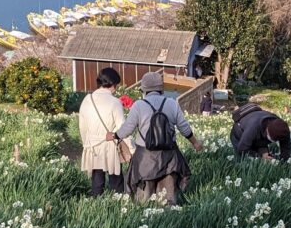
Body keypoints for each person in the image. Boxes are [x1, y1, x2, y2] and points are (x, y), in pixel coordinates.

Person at [111, 71, 202, 205]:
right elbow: (184, 127)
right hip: (169, 156)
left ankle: (145, 219)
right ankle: (171, 220)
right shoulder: (172, 103)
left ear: (144, 90)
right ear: (161, 88)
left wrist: (114, 135)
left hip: (145, 158)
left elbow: (128, 129)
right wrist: (195, 143)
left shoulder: (139, 105)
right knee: (168, 199)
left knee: (144, 199)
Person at [77, 67, 128, 196]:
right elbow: (122, 128)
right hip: (109, 145)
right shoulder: (115, 102)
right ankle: (119, 208)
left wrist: (86, 144)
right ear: (113, 84)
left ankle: (96, 208)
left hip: (93, 146)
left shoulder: (87, 100)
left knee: (97, 182)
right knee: (116, 181)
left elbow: (82, 126)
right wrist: (131, 148)